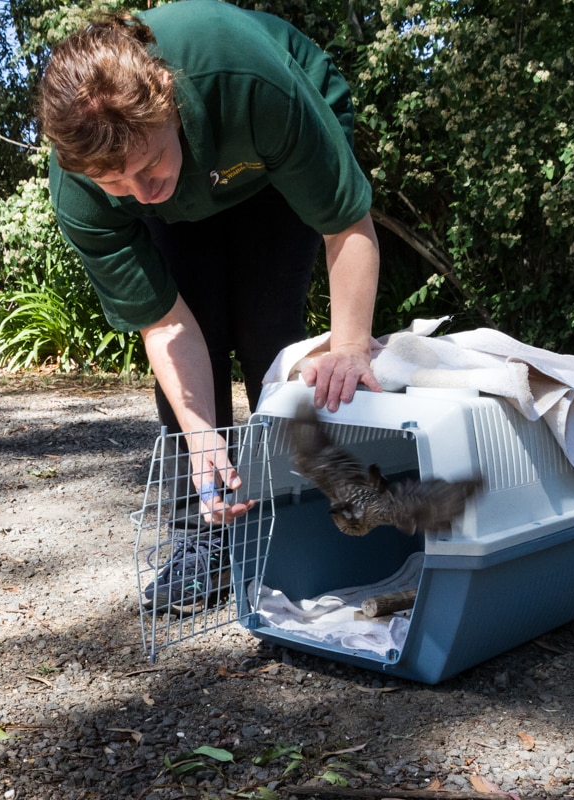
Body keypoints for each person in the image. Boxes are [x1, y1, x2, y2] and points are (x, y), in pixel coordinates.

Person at [38, 0, 382, 609]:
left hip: (266, 152)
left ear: (166, 97)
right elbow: (163, 321)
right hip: (190, 188)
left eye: (145, 166)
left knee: (266, 330)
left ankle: (299, 515)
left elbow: (345, 222)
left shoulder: (248, 80)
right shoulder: (85, 190)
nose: (139, 190)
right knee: (198, 339)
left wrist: (352, 345)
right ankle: (204, 533)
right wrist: (200, 434)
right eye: (115, 183)